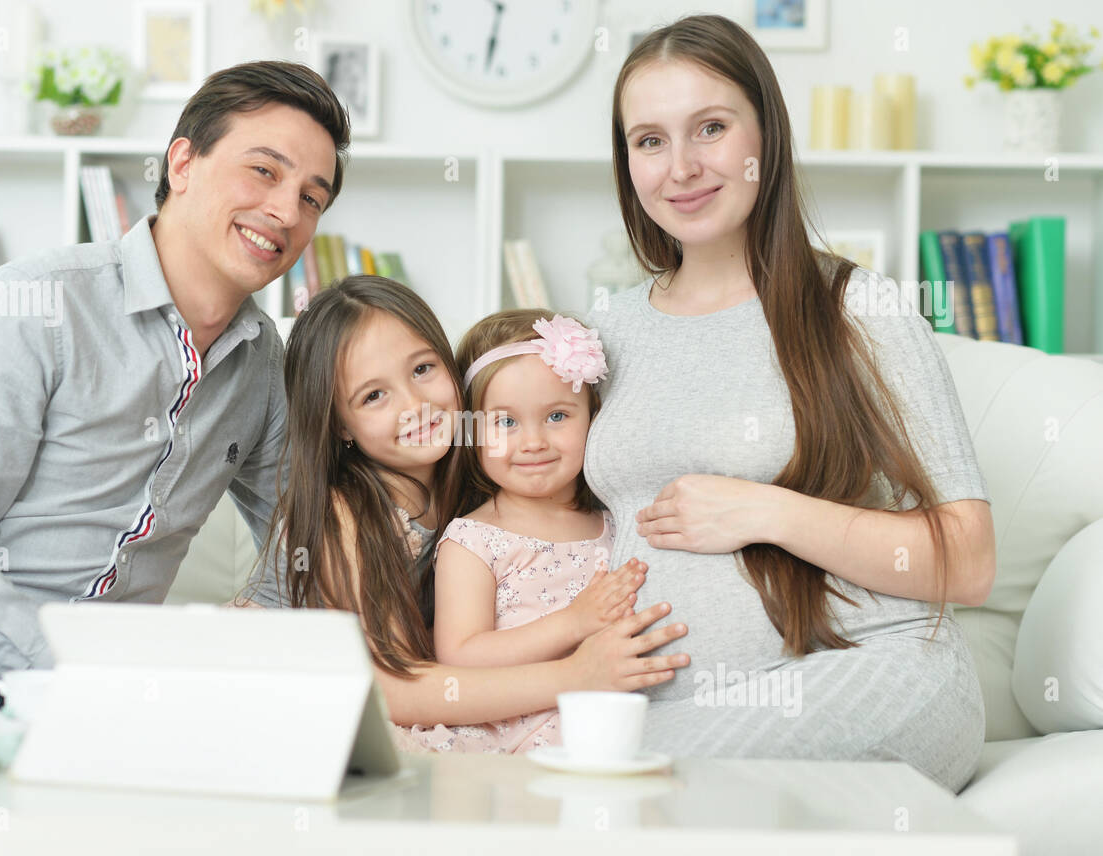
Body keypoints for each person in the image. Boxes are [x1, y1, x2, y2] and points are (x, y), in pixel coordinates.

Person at [0, 61, 349, 790]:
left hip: (100, 682)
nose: (287, 211)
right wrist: (77, 668)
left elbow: (300, 536)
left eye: (312, 197)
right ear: (182, 162)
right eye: (264, 171)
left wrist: (231, 643)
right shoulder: (32, 305)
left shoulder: (264, 369)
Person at [586, 14, 996, 793]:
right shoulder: (607, 328)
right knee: (585, 771)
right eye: (649, 140)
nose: (681, 167)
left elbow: (970, 559)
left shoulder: (858, 308)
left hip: (868, 671)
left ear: (764, 137)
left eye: (710, 127)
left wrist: (766, 510)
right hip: (670, 704)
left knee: (632, 778)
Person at [237, 276, 688, 733]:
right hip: (260, 698)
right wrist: (573, 676)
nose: (414, 405)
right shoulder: (347, 513)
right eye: (374, 396)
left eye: (422, 370)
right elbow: (390, 689)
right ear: (339, 425)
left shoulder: (480, 477)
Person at [392, 309, 646, 754]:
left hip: (595, 725)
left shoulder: (615, 523)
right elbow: (460, 654)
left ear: (594, 416)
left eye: (557, 417)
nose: (533, 442)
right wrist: (572, 623)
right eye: (506, 423)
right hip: (501, 730)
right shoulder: (472, 539)